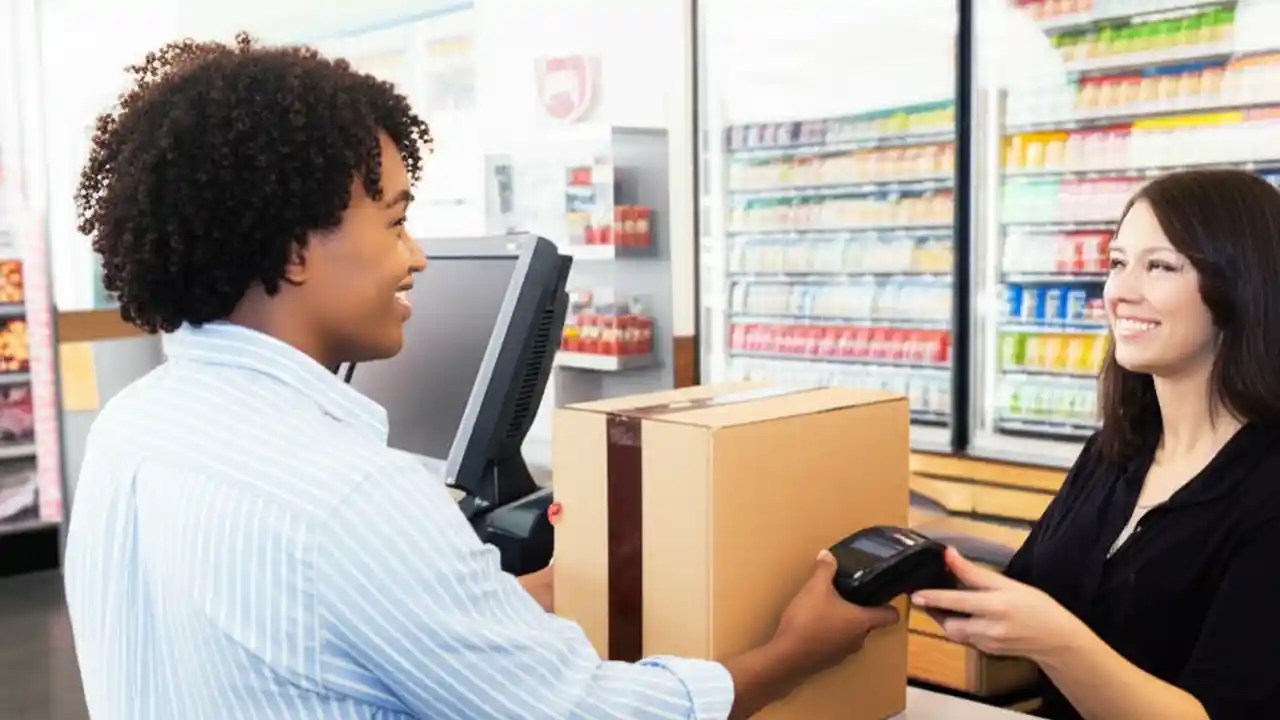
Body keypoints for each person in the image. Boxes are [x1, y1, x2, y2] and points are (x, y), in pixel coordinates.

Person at [62, 34, 899, 720]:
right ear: (293, 249)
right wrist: (795, 653)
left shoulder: (132, 426)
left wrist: (496, 608)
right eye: (395, 222)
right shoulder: (352, 499)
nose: (416, 257)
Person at [913, 169, 1280, 720]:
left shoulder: (1267, 490)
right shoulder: (1115, 453)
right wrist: (954, 589)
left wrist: (1057, 641)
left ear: (1242, 286)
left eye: (1159, 266)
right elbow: (1032, 591)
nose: (1120, 292)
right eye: (1117, 263)